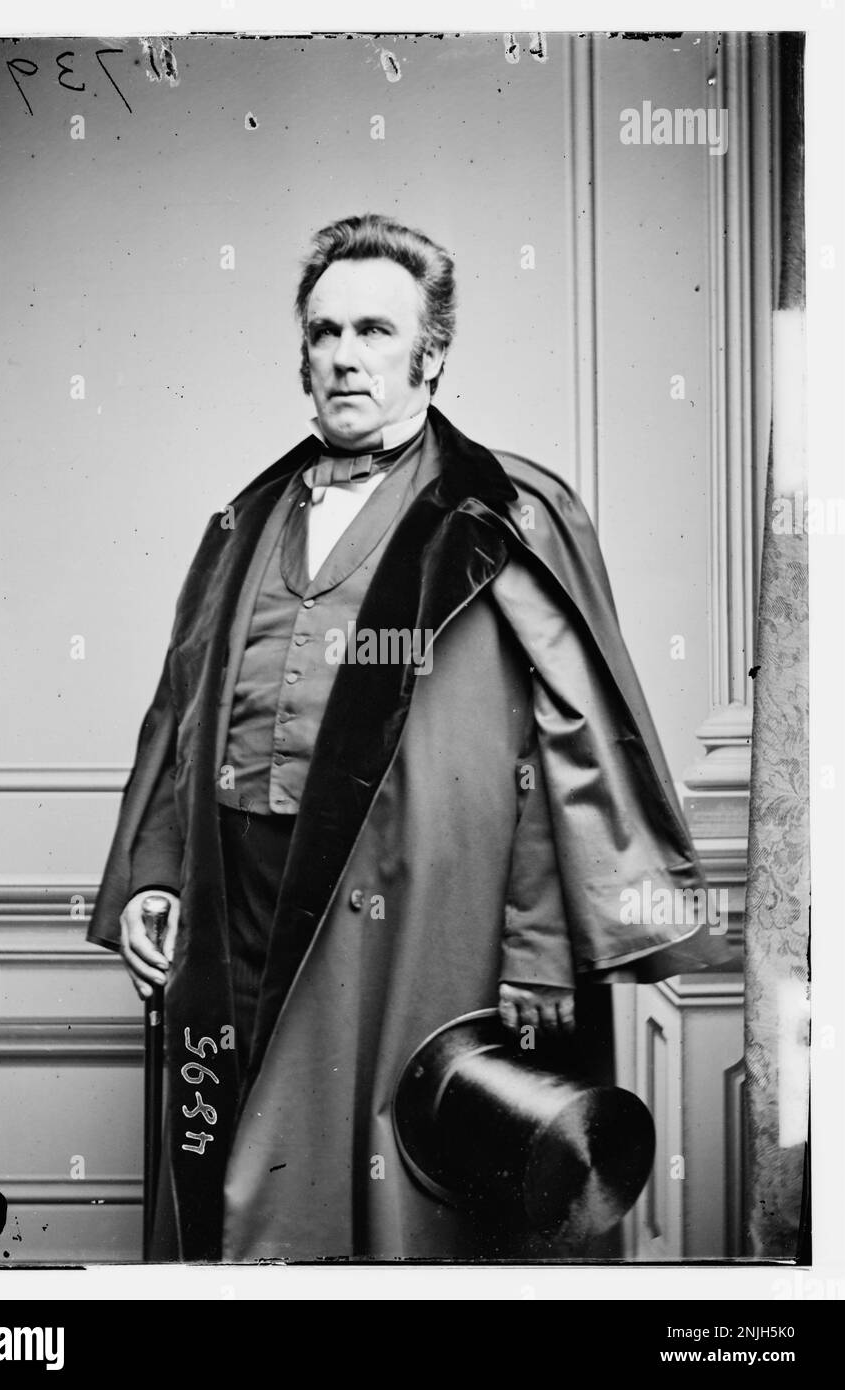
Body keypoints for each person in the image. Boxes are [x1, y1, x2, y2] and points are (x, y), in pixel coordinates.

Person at [87, 213, 721, 1262]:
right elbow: (182, 711)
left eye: (375, 330)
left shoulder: (504, 513)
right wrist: (157, 876)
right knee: (235, 1179)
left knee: (396, 1205)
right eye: (324, 330)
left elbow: (563, 755)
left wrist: (530, 956)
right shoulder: (244, 518)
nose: (343, 355)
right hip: (235, 899)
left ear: (430, 353)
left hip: (409, 912)